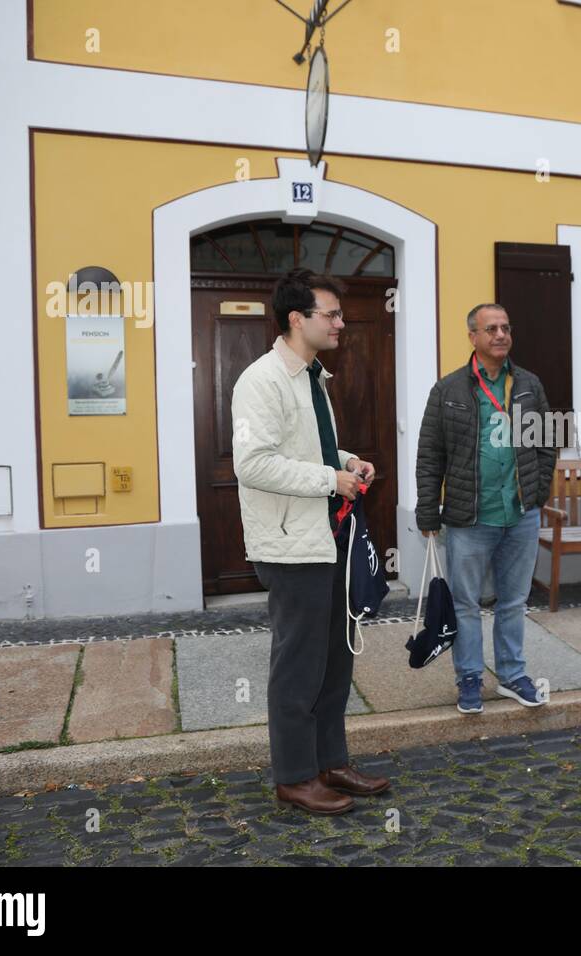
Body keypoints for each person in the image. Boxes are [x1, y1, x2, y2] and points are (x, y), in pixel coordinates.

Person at [231, 268, 390, 815]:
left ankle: (330, 761)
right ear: (297, 319)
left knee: (335, 657)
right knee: (299, 665)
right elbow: (252, 464)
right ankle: (295, 776)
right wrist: (331, 480)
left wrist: (346, 461)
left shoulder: (311, 376)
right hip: (290, 546)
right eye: (332, 314)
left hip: (327, 537)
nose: (342, 322)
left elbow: (312, 447)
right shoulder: (261, 380)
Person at [415, 303, 559, 714]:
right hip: (469, 518)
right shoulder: (449, 390)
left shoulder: (528, 385)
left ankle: (513, 676)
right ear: (473, 336)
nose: (500, 335)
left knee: (513, 601)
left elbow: (547, 443)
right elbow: (430, 456)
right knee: (465, 604)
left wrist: (537, 494)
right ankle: (471, 679)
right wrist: (428, 513)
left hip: (520, 516)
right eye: (491, 329)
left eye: (506, 328)